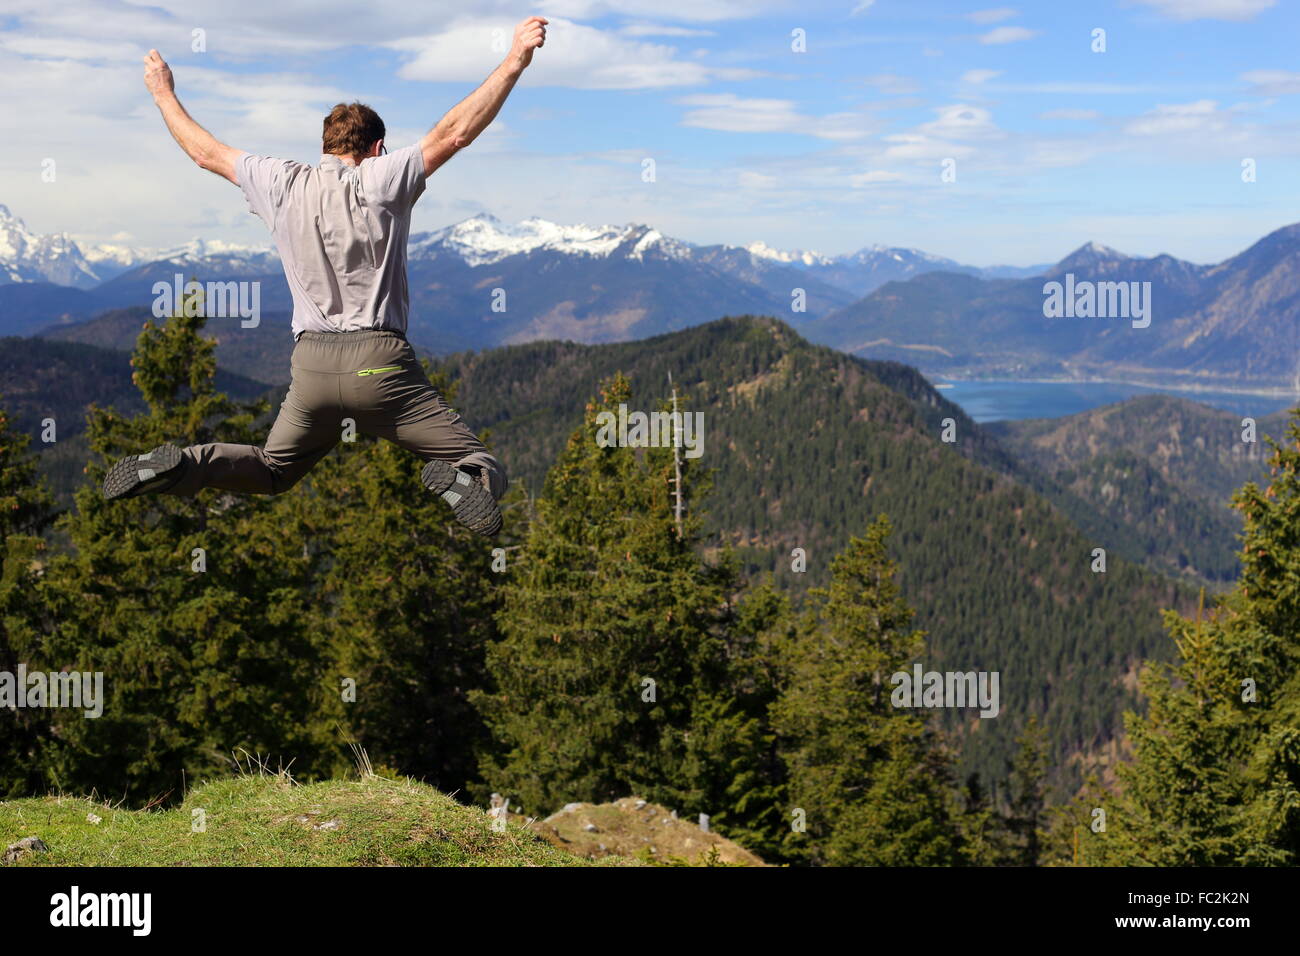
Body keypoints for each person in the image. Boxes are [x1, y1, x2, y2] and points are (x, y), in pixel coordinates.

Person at [102, 17, 550, 537]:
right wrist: (515, 59)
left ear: (325, 145)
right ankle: (467, 482)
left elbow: (204, 152)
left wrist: (163, 95)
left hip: (311, 370)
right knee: (477, 458)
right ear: (377, 149)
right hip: (381, 368)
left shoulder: (279, 182)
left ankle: (185, 466)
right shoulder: (382, 180)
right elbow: (455, 132)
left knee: (273, 470)